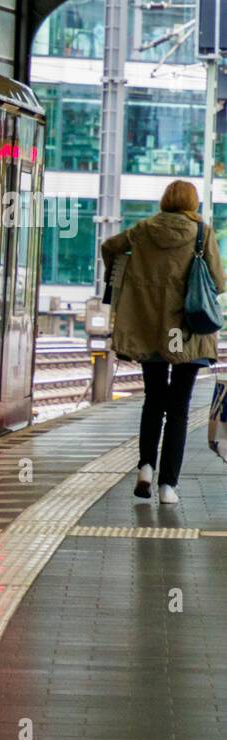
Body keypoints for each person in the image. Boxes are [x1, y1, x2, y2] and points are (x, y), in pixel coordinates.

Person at [102, 179, 226, 503]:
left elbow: (109, 247)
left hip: (153, 330)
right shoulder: (202, 233)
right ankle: (167, 486)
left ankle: (145, 466)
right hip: (184, 333)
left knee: (154, 400)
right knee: (179, 408)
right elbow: (219, 281)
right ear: (193, 202)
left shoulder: (143, 231)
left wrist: (122, 280)